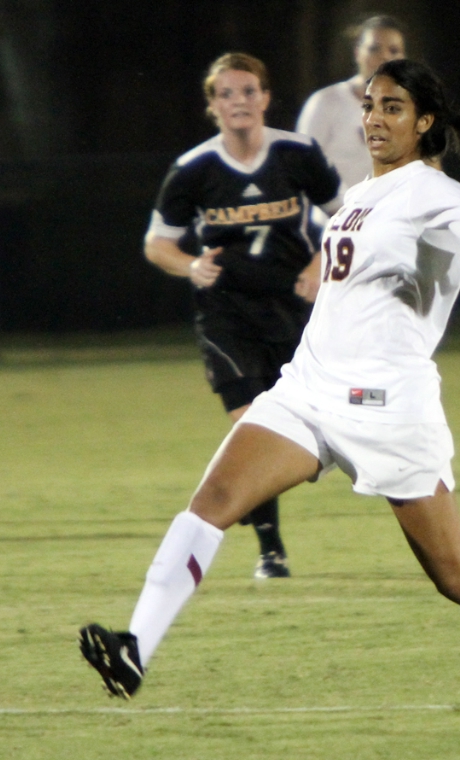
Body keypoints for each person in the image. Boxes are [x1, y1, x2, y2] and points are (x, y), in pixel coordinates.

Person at [81, 59, 460, 708]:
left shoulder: (434, 194)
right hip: (306, 392)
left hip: (389, 410)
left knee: (457, 578)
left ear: (426, 123)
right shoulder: (361, 195)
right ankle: (136, 648)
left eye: (392, 108)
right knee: (214, 499)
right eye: (369, 105)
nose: (374, 119)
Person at [142, 52, 340, 578]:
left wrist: (321, 262)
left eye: (248, 91)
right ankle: (271, 549)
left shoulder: (298, 153)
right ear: (212, 106)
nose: (239, 102)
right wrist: (189, 267)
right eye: (226, 94)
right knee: (251, 423)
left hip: (293, 309)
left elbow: (348, 218)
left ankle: (315, 461)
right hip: (226, 313)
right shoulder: (193, 170)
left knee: (303, 434)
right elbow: (157, 245)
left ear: (266, 98)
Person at [296, 15, 406, 199]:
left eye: (394, 50)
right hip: (334, 221)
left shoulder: (411, 109)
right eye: (374, 48)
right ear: (357, 53)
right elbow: (301, 167)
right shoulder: (326, 102)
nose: (385, 56)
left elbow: (428, 169)